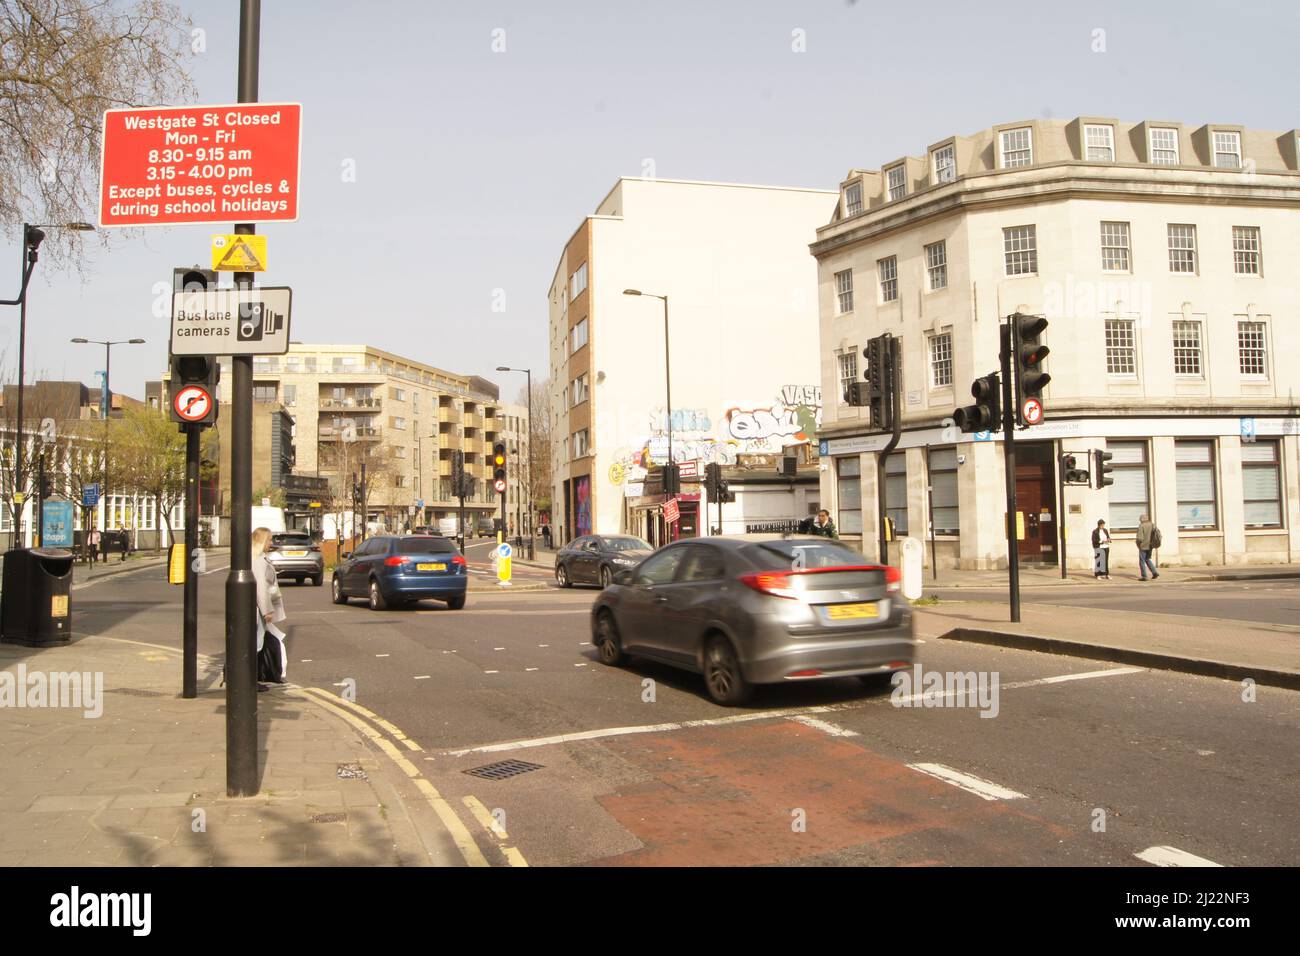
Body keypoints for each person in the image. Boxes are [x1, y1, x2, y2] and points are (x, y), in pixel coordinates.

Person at [252, 527, 288, 687]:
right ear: (262, 541)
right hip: (258, 610)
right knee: (256, 644)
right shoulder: (258, 561)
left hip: (258, 609)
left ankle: (253, 679)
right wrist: (267, 610)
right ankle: (251, 681)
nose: (271, 543)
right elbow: (261, 588)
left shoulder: (258, 558)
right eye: (269, 540)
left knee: (257, 643)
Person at [1136, 513, 1161, 581]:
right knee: (1147, 559)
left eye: (1140, 520)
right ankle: (1155, 573)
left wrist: (1138, 544)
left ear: (1142, 519)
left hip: (1143, 546)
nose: (1140, 521)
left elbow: (1140, 538)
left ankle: (1144, 576)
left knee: (1142, 561)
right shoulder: (1152, 525)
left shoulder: (1141, 526)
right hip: (1150, 545)